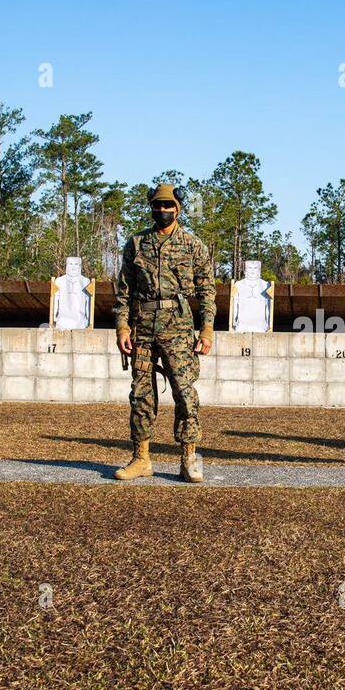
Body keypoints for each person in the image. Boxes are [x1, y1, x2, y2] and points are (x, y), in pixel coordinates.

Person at [112, 184, 215, 483]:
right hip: (142, 328)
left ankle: (188, 458)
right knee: (141, 395)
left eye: (168, 205)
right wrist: (122, 327)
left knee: (185, 394)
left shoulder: (193, 245)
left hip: (179, 330)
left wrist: (206, 329)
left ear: (178, 208)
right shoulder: (136, 243)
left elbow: (207, 291)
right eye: (157, 206)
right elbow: (124, 291)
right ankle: (141, 458)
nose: (162, 210)